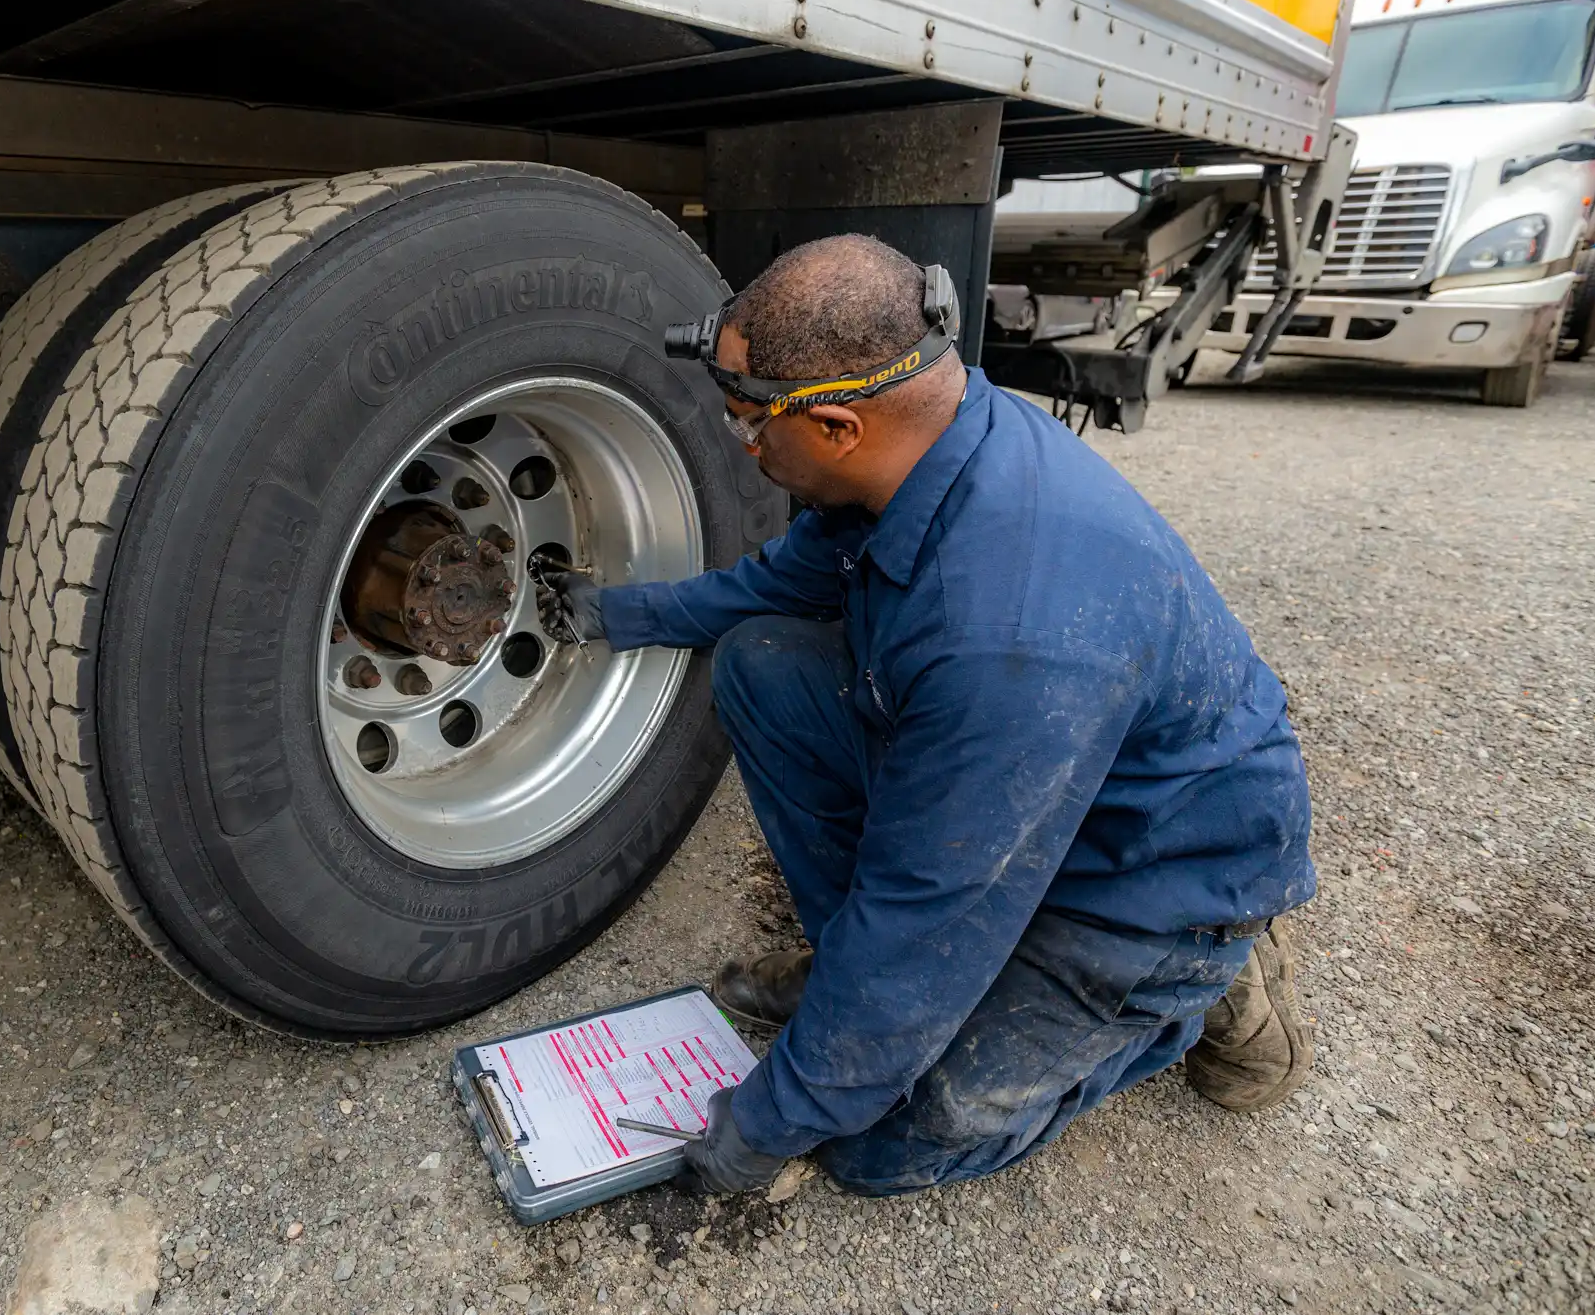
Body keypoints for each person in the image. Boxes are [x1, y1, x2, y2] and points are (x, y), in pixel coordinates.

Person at [538, 234, 1317, 1196]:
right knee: (765, 665)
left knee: (879, 1139)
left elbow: (930, 906)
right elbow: (775, 585)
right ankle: (851, 988)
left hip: (1146, 877)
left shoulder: (1007, 636)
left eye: (745, 422)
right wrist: (617, 614)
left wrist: (775, 1114)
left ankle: (1190, 997)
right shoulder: (930, 444)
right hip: (1037, 791)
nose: (741, 442)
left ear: (833, 427)